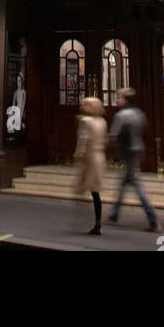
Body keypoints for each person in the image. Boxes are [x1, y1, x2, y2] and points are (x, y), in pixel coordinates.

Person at [107, 87, 158, 231]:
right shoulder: (138, 113)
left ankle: (152, 218)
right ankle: (114, 213)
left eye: (119, 97)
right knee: (124, 182)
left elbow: (114, 135)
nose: (117, 100)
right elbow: (144, 128)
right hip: (138, 150)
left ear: (125, 100)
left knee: (136, 185)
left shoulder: (122, 116)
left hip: (128, 153)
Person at [73, 96, 107, 236]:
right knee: (95, 192)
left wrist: (77, 155)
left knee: (83, 188)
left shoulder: (86, 121)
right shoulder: (102, 122)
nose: (82, 106)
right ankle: (97, 222)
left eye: (85, 104)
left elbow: (83, 140)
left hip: (89, 158)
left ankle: (86, 218)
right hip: (99, 157)